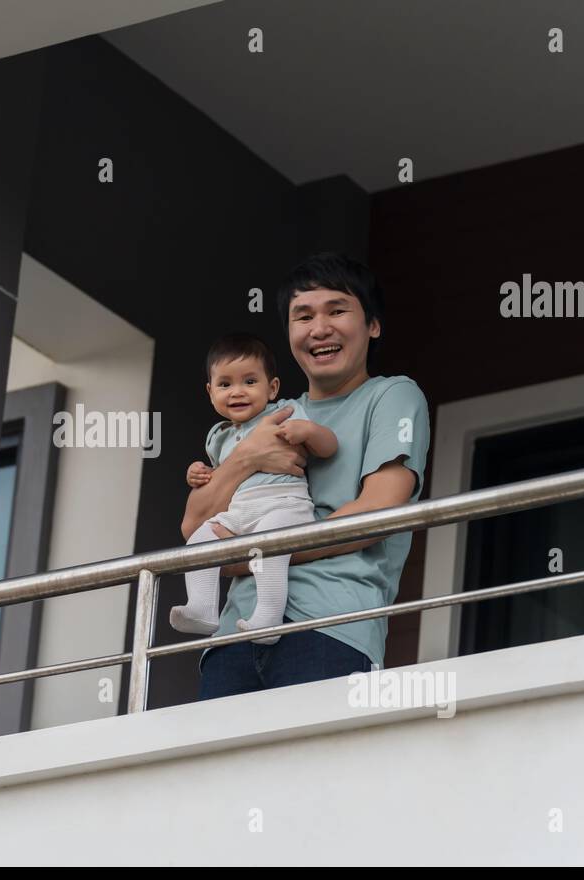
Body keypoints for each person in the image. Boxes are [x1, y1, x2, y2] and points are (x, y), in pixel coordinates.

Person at [180, 252, 430, 700]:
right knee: (225, 772)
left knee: (313, 771)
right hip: (234, 632)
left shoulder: (392, 396)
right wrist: (246, 458)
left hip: (332, 627)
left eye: (337, 310)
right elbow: (194, 529)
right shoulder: (268, 414)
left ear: (372, 325)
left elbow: (378, 511)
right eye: (303, 316)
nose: (319, 328)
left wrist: (257, 553)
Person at [170, 333, 339, 636]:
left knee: (267, 548)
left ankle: (269, 617)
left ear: (272, 388)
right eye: (225, 384)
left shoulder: (284, 412)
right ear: (210, 392)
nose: (237, 392)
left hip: (283, 506)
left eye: (249, 382)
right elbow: (221, 477)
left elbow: (330, 447)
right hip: (241, 511)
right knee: (199, 539)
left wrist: (309, 431)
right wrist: (197, 472)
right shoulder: (218, 436)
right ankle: (202, 607)